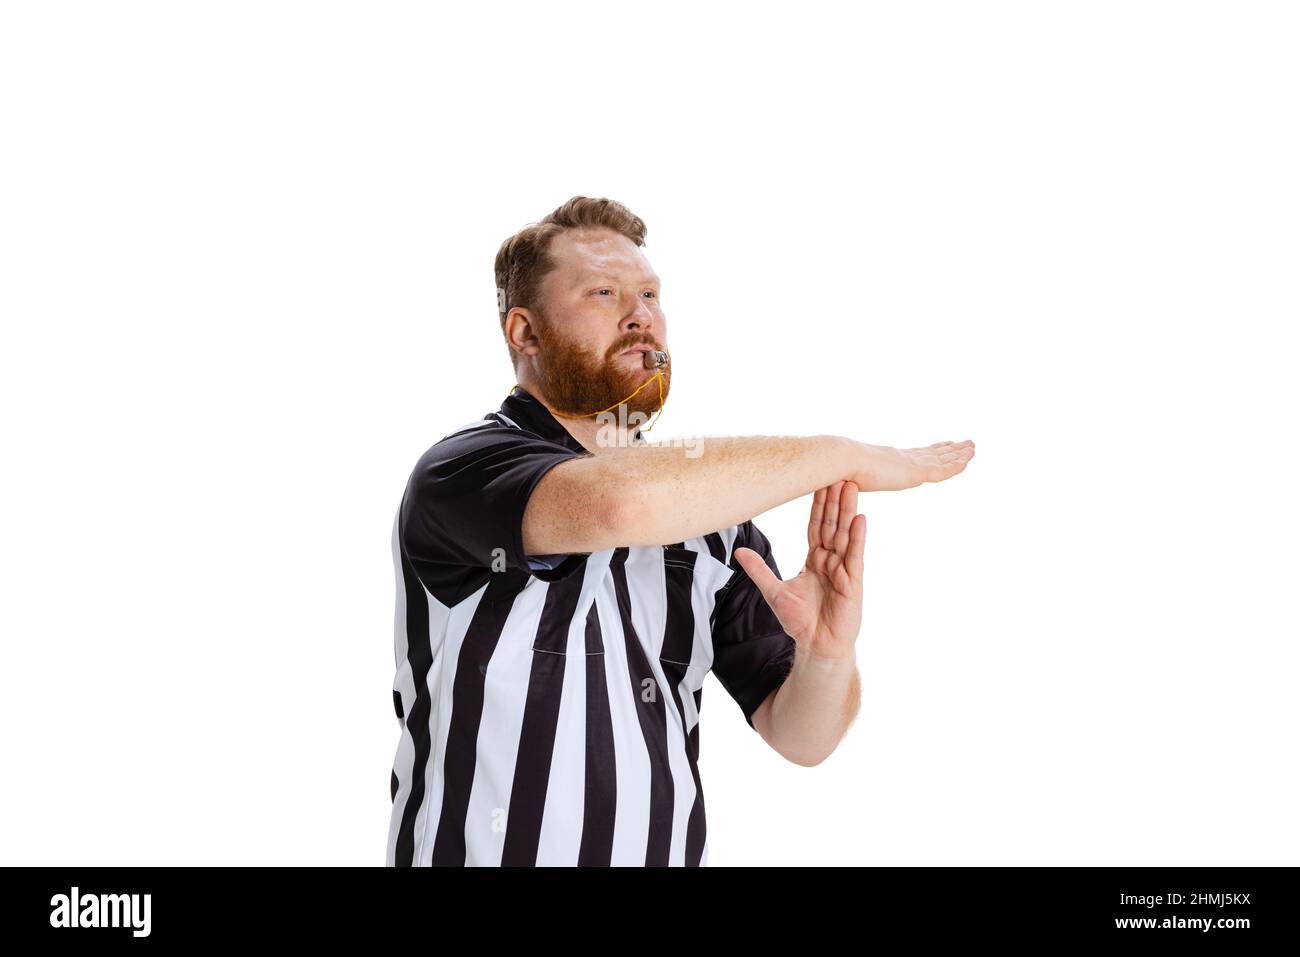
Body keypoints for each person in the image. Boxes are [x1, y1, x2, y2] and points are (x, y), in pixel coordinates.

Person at [386, 196, 975, 866]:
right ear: (525, 332)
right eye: (604, 292)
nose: (639, 313)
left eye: (650, 293)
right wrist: (843, 453)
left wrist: (826, 654)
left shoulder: (709, 518)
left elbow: (802, 738)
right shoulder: (463, 469)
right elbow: (615, 506)